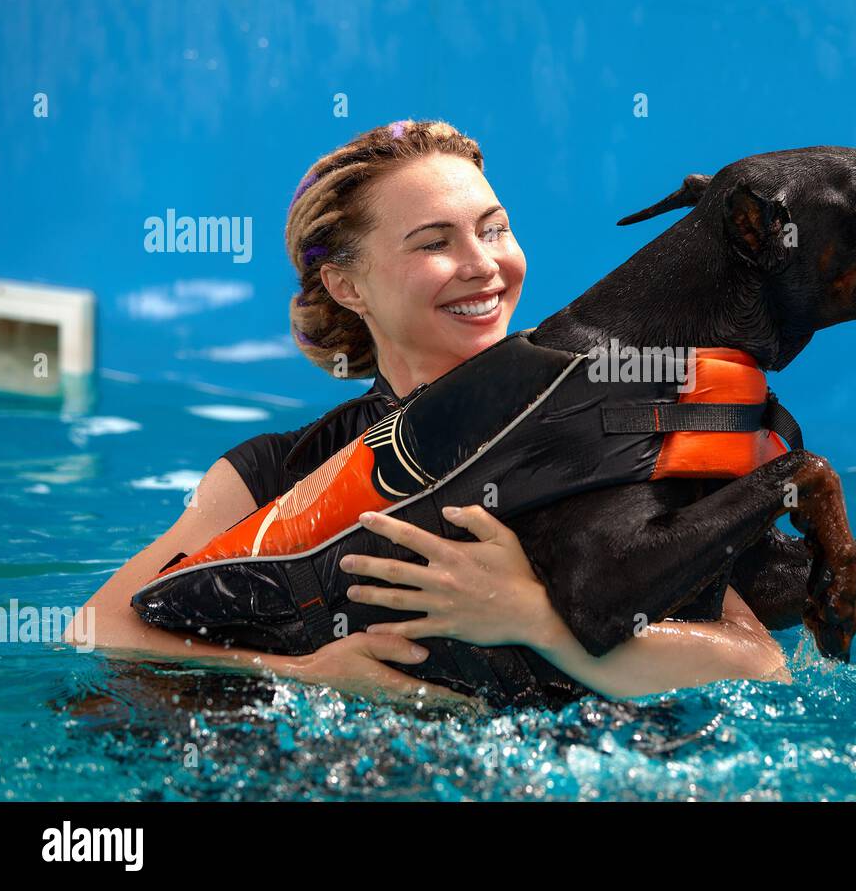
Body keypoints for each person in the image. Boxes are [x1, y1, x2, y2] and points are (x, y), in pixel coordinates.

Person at [81, 120, 788, 704]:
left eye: (495, 230)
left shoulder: (600, 427)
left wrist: (532, 617)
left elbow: (760, 665)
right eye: (435, 243)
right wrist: (310, 677)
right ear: (346, 284)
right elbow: (99, 630)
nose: (482, 263)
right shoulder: (275, 470)